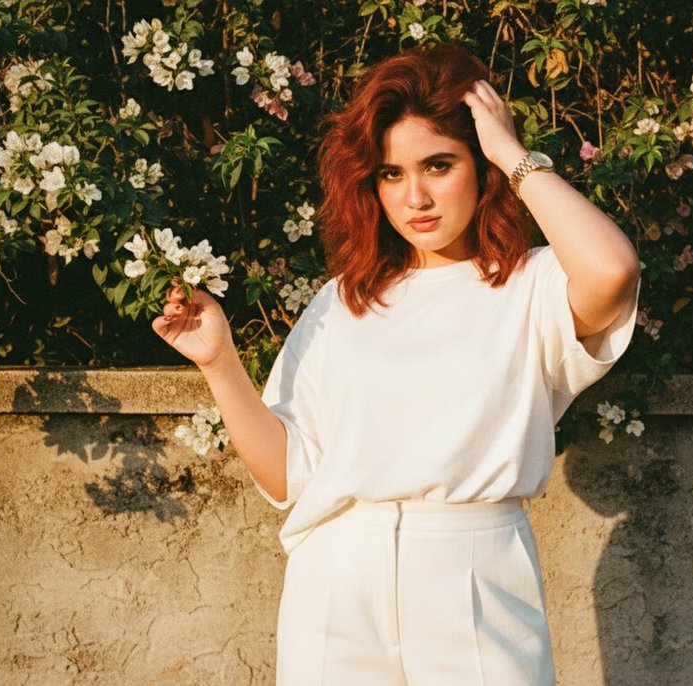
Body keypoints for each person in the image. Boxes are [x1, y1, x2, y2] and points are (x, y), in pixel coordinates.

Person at [153, 43, 641, 686]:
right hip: (336, 579)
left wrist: (512, 154)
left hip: (473, 574)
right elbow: (287, 476)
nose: (416, 196)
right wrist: (219, 364)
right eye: (391, 174)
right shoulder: (342, 301)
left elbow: (614, 270)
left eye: (439, 165)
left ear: (479, 166)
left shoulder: (533, 285)